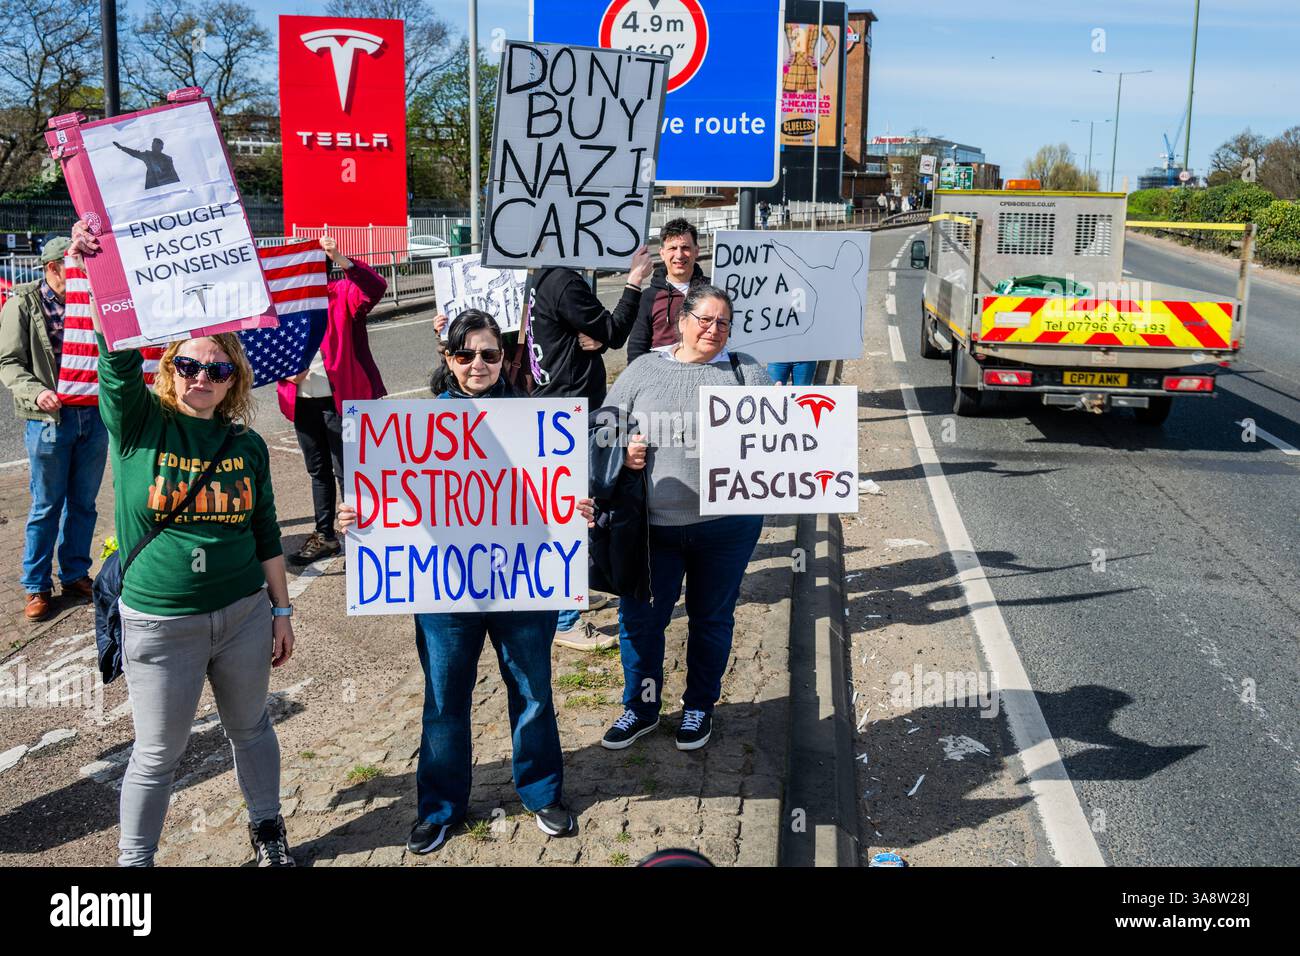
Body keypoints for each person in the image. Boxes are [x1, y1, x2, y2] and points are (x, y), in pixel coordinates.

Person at [72, 222, 295, 867]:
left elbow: (265, 532)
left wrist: (281, 610)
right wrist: (97, 267)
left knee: (250, 728)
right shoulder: (141, 422)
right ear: (170, 370)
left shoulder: (246, 445)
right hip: (161, 620)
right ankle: (133, 865)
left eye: (218, 369)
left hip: (243, 615)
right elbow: (115, 358)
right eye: (191, 365)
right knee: (157, 752)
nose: (203, 376)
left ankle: (268, 833)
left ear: (234, 380)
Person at [337, 310, 575, 855]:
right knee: (445, 700)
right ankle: (439, 808)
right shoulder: (412, 429)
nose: (477, 364)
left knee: (534, 692)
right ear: (447, 359)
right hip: (445, 590)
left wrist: (574, 507)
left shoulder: (538, 422)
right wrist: (359, 516)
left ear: (504, 358)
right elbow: (391, 498)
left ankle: (541, 793)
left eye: (489, 354)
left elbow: (558, 493)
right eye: (464, 354)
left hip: (522, 584)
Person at [582, 285, 770, 752]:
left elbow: (778, 435)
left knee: (712, 619)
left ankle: (698, 707)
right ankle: (641, 708)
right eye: (705, 319)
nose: (713, 330)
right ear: (682, 321)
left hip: (726, 527)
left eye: (723, 323)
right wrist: (623, 452)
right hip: (651, 530)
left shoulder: (747, 372)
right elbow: (601, 427)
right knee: (641, 621)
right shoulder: (645, 369)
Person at [529, 247, 654, 650]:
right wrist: (634, 281)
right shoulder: (564, 279)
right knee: (573, 511)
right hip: (568, 411)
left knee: (575, 506)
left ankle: (575, 589)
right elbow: (615, 332)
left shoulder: (546, 275)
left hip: (560, 405)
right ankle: (565, 619)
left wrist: (594, 340)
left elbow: (588, 336)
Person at [0, 236, 107, 622]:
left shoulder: (89, 300)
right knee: (46, 505)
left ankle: (75, 573)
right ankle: (36, 585)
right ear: (53, 269)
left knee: (84, 503)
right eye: (73, 267)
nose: (82, 275)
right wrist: (37, 392)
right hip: (49, 420)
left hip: (93, 416)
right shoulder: (24, 303)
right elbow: (9, 362)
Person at [277, 236, 388, 566]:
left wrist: (340, 256)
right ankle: (325, 535)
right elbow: (270, 351)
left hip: (341, 401)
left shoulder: (341, 294)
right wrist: (286, 374)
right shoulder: (284, 304)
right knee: (318, 471)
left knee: (349, 471)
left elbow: (376, 287)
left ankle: (363, 536)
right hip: (302, 400)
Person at [627, 219, 707, 364]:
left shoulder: (712, 292)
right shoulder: (648, 297)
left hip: (703, 374)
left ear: (696, 251)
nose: (679, 255)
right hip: (661, 377)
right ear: (662, 253)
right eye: (672, 248)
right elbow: (637, 348)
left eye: (685, 247)